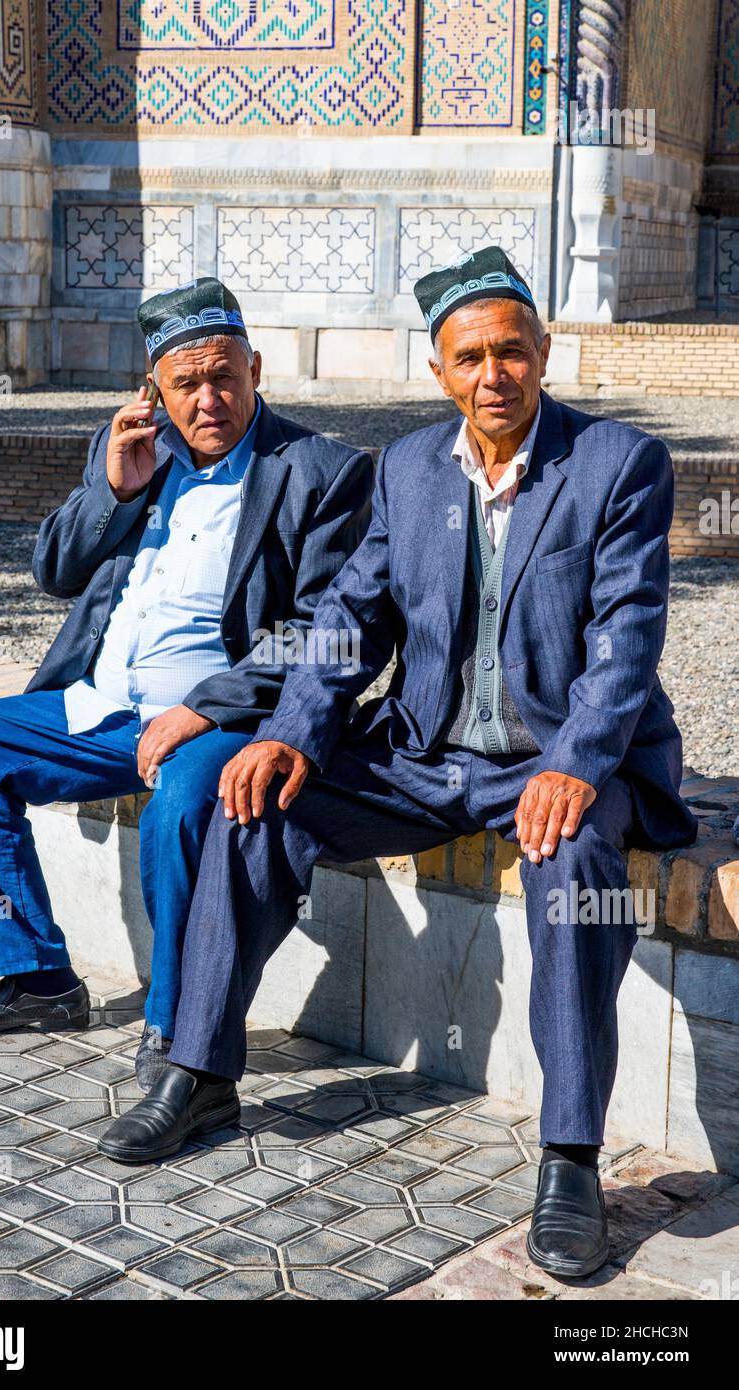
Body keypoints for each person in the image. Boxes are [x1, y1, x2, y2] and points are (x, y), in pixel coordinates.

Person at [99, 248, 698, 1280]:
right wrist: (288, 732)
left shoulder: (618, 465)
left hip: (553, 764)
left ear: (543, 353)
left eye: (512, 350)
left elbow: (622, 645)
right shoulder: (409, 470)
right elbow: (346, 622)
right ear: (438, 370)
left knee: (578, 879)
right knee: (257, 804)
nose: (492, 374)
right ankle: (197, 1066)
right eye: (469, 357)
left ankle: (568, 1159)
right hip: (421, 757)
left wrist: (575, 765)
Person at [0, 276, 373, 1095]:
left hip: (222, 717)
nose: (209, 399)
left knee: (185, 807)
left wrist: (202, 709)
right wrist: (112, 489)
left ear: (256, 369)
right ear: (153, 387)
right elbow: (54, 571)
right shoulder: (132, 448)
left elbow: (322, 632)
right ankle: (37, 976)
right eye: (185, 384)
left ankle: (174, 1022)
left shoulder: (318, 471)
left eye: (224, 376)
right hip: (101, 706)